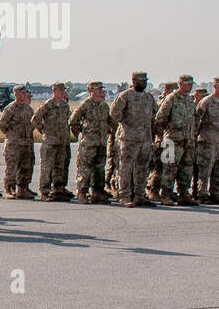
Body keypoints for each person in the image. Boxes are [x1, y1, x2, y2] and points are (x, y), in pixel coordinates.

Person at [109, 71, 155, 207]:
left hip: (145, 138)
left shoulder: (148, 97)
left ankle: (140, 195)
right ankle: (125, 196)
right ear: (134, 81)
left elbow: (154, 113)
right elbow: (114, 113)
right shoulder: (125, 96)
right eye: (141, 80)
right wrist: (127, 123)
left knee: (143, 167)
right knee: (126, 168)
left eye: (145, 80)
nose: (144, 83)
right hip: (129, 138)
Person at [153, 74, 197, 205]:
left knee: (187, 167)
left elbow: (194, 118)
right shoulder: (171, 98)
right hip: (172, 140)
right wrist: (168, 132)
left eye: (191, 84)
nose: (189, 86)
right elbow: (160, 118)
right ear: (180, 84)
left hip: (187, 140)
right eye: (187, 83)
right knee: (169, 168)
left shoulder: (189, 100)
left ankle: (183, 193)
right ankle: (166, 195)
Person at [69, 81, 113, 203]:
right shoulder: (85, 104)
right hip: (88, 143)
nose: (101, 91)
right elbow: (73, 121)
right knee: (85, 169)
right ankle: (82, 192)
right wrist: (82, 133)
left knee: (99, 169)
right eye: (98, 89)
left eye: (101, 89)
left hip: (101, 142)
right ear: (90, 90)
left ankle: (97, 193)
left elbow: (110, 121)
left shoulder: (104, 106)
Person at [32, 82, 73, 201]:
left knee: (59, 167)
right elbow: (35, 120)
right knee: (47, 168)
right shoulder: (48, 105)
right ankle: (44, 192)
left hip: (61, 142)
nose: (62, 92)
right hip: (50, 142)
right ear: (54, 91)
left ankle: (58, 190)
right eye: (60, 90)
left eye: (63, 90)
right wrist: (44, 131)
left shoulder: (65, 105)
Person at [0, 85, 36, 199]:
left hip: (27, 143)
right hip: (14, 144)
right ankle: (9, 189)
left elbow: (32, 124)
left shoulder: (28, 109)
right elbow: (2, 125)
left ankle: (23, 188)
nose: (25, 95)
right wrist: (12, 135)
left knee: (27, 167)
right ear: (16, 94)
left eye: (25, 93)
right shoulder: (10, 108)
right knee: (12, 168)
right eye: (22, 93)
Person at [195, 78, 219, 204]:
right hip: (207, 140)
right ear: (216, 86)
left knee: (217, 170)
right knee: (205, 169)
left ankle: (215, 193)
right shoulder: (207, 101)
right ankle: (202, 194)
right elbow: (196, 121)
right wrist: (194, 138)